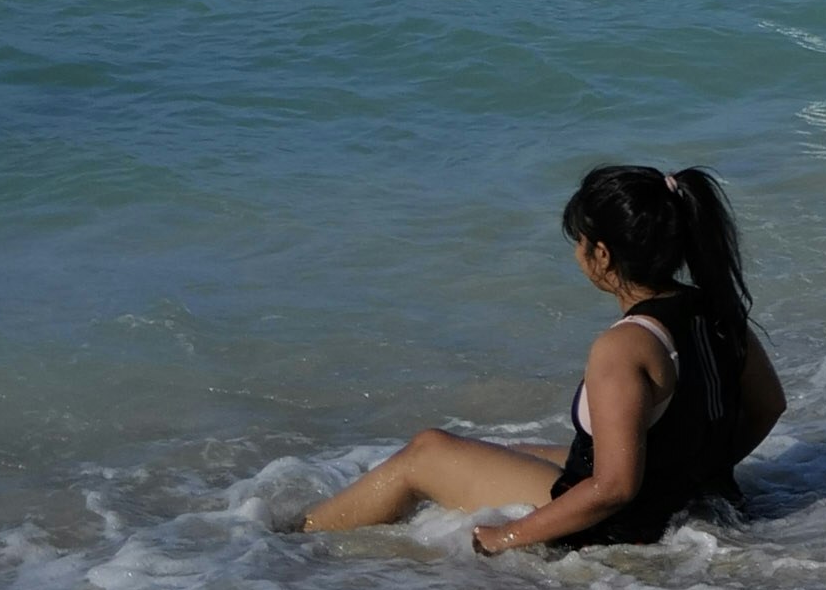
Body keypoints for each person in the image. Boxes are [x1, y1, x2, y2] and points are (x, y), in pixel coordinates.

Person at [306, 167, 784, 554]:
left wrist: (506, 536)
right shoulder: (718, 311)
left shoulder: (625, 347)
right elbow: (769, 406)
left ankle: (295, 539)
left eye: (578, 242)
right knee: (518, 452)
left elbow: (614, 487)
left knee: (426, 452)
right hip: (679, 494)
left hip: (622, 524)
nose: (577, 253)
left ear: (601, 254)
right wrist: (694, 473)